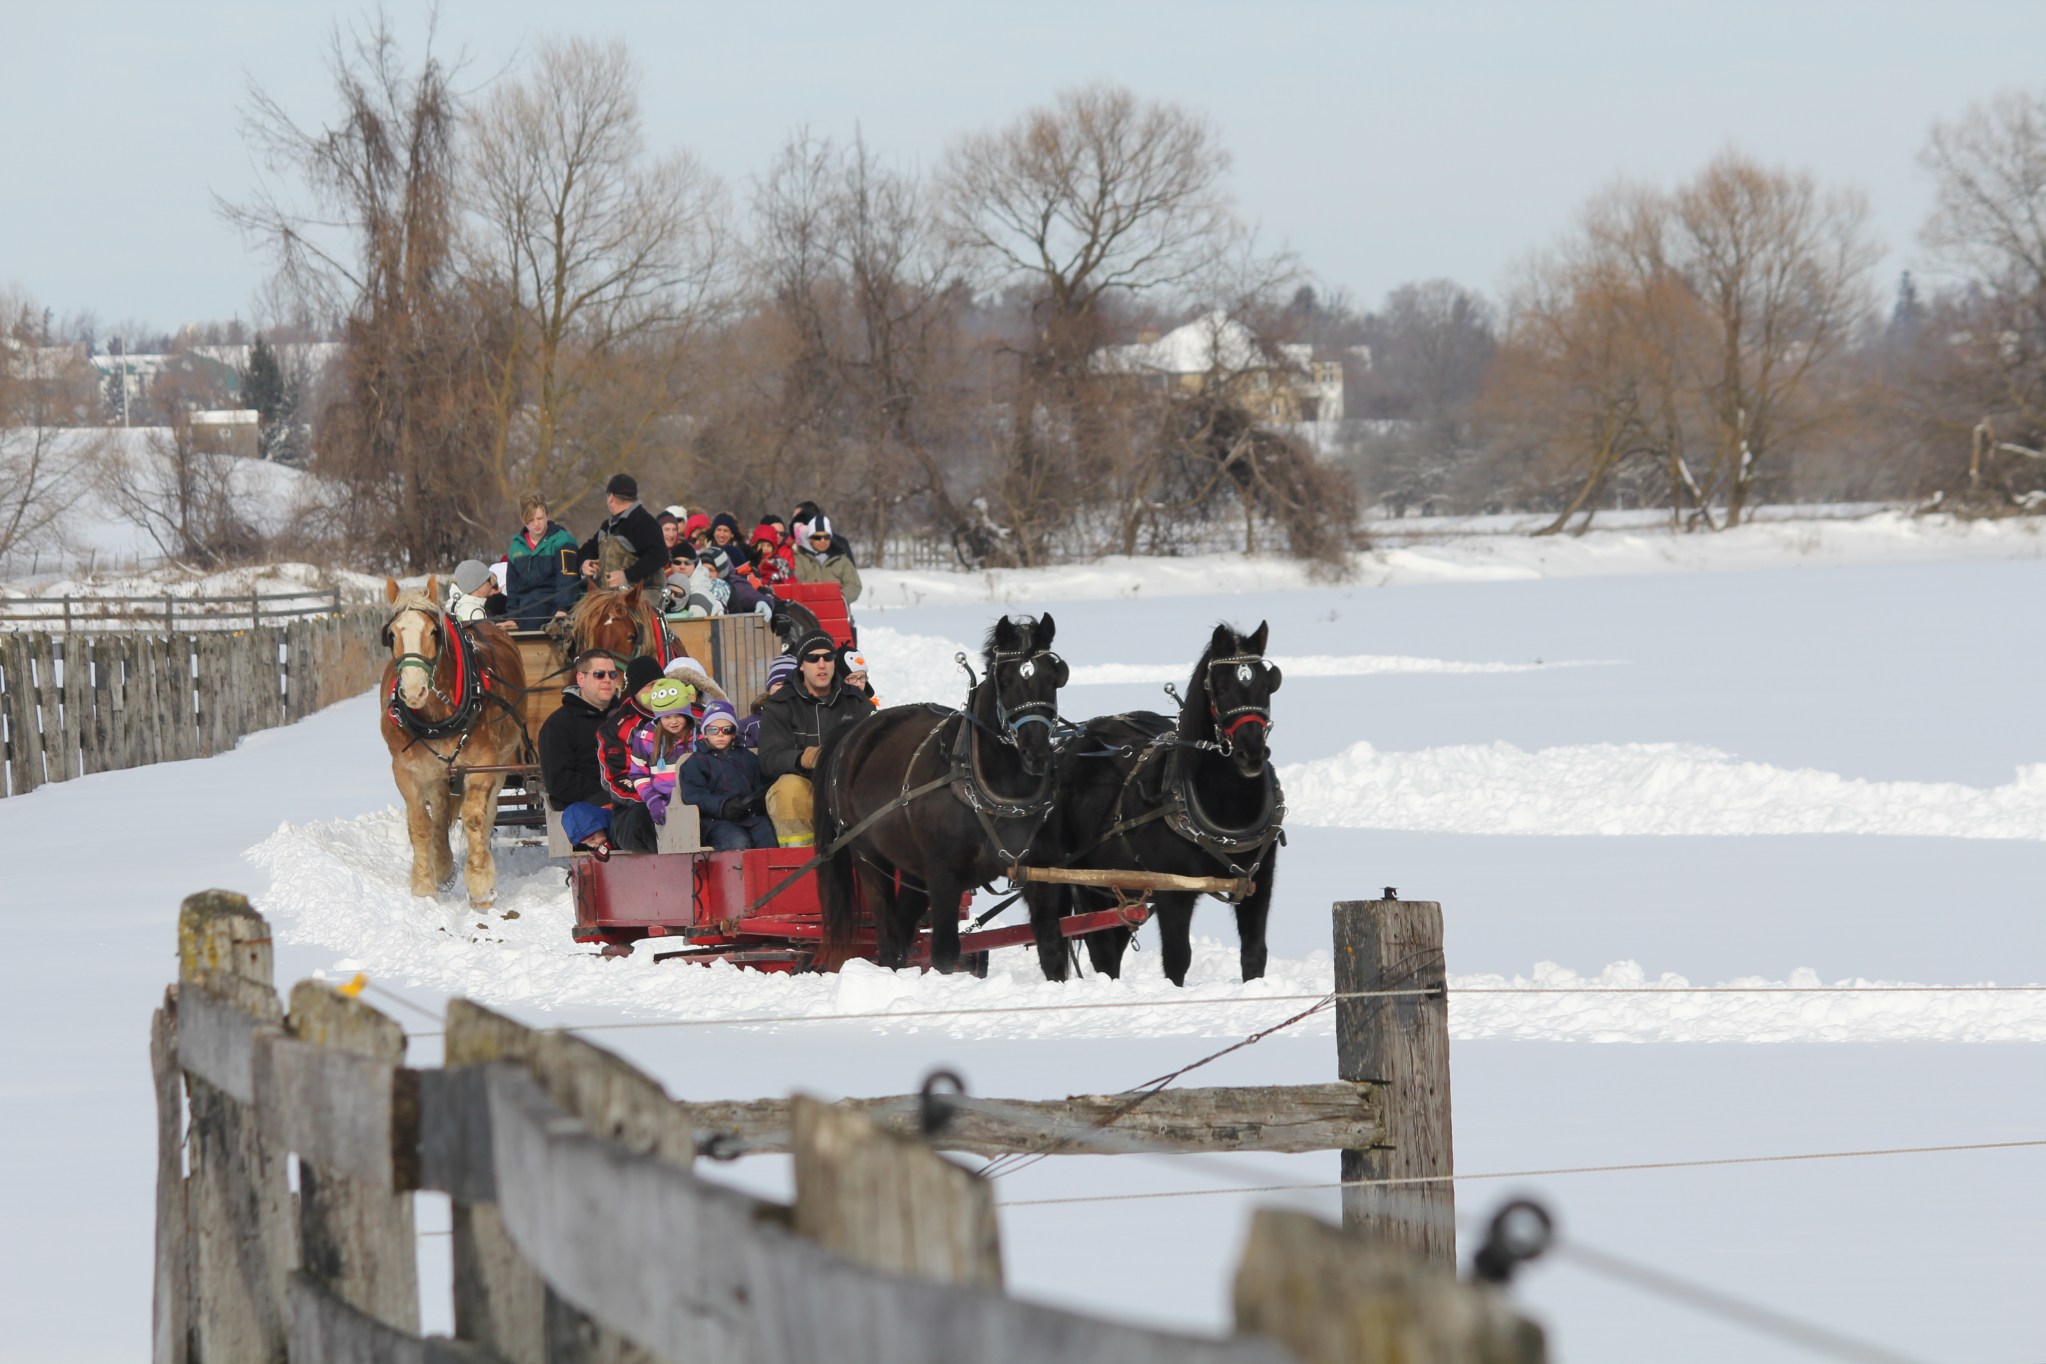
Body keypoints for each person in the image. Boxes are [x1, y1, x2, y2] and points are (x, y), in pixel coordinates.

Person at [758, 630, 873, 846]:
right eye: (813, 658)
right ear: (801, 665)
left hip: (850, 784)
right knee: (787, 789)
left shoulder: (856, 701)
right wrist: (803, 758)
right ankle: (801, 859)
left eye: (827, 657)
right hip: (806, 785)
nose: (822, 664)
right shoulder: (781, 704)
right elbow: (769, 759)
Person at [537, 650, 623, 857]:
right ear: (581, 678)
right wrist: (611, 793)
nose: (608, 680)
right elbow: (559, 782)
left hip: (632, 798)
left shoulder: (626, 717)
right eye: (599, 674)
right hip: (590, 807)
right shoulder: (558, 725)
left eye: (612, 675)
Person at [597, 658, 681, 854]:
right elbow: (616, 779)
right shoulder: (616, 727)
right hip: (634, 810)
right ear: (635, 691)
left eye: (659, 685)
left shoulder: (685, 714)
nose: (655, 692)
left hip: (687, 799)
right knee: (647, 819)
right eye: (649, 687)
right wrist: (655, 798)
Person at [679, 700, 776, 850]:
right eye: (713, 730)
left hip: (749, 815)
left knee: (768, 839)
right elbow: (694, 795)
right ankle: (737, 873)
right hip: (715, 820)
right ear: (704, 732)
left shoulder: (747, 757)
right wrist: (723, 806)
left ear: (734, 732)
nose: (720, 735)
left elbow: (761, 783)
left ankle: (773, 873)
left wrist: (758, 800)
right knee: (737, 842)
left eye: (727, 730)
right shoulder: (695, 762)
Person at [623, 677, 699, 834]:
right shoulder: (645, 738)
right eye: (666, 717)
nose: (673, 722)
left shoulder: (700, 735)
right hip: (664, 804)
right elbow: (638, 775)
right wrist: (652, 801)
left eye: (678, 715)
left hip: (698, 802)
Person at [578, 473, 670, 592]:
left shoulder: (642, 521)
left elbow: (659, 554)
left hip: (640, 596)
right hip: (608, 597)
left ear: (611, 497)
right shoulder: (607, 526)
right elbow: (586, 550)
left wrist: (627, 576)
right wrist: (584, 564)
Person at [505, 495, 580, 628]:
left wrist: (563, 609)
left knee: (536, 611)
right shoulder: (516, 547)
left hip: (552, 607)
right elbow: (513, 587)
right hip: (525, 609)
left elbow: (567, 579)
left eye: (540, 518)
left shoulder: (563, 541)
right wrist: (512, 617)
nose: (536, 524)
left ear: (547, 515)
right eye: (531, 520)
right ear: (523, 520)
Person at [792, 514, 864, 603]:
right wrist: (813, 595)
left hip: (836, 610)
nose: (822, 541)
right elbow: (795, 582)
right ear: (810, 539)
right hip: (807, 611)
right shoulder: (799, 558)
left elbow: (854, 585)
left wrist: (839, 597)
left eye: (826, 537)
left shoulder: (841, 559)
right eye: (817, 537)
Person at [738, 653, 797, 749]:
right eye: (778, 684)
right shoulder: (749, 726)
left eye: (789, 684)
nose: (783, 689)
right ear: (769, 690)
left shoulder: (810, 719)